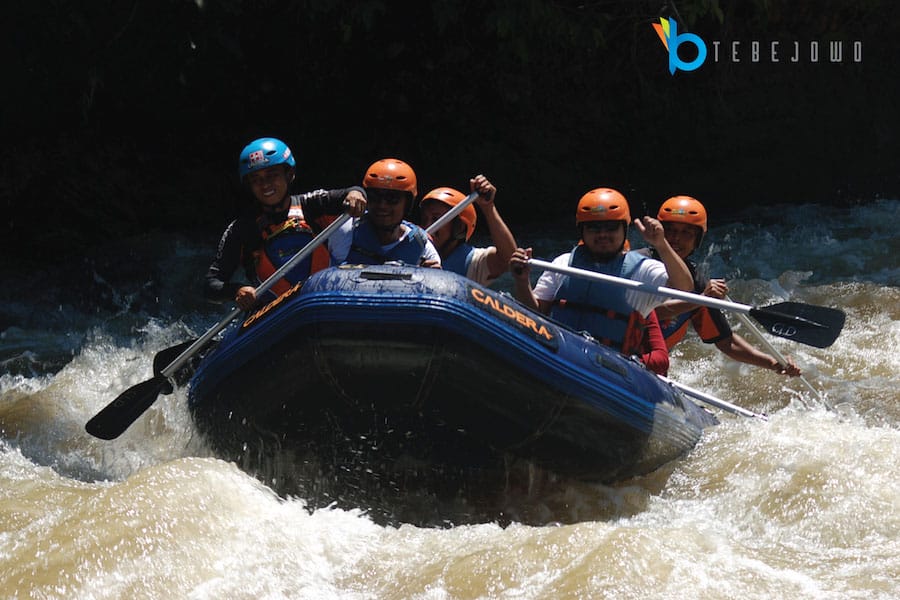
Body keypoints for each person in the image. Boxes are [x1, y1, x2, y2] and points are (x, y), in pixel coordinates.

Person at [509, 187, 694, 376]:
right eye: (594, 228)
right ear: (582, 231)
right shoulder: (563, 263)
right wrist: (522, 281)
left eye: (611, 227)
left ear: (624, 229)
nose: (603, 234)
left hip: (609, 374)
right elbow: (534, 313)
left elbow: (684, 287)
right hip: (557, 360)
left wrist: (661, 245)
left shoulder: (642, 271)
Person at [646, 195, 802, 377]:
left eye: (686, 233)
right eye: (670, 231)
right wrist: (700, 300)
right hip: (619, 351)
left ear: (697, 240)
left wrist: (774, 363)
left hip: (649, 366)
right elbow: (646, 312)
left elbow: (726, 342)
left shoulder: (698, 283)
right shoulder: (637, 263)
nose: (676, 239)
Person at [203, 137, 366, 310]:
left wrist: (356, 193)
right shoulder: (242, 229)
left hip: (323, 300)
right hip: (275, 313)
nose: (265, 185)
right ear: (249, 185)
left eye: (272, 175)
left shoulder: (311, 204)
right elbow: (210, 285)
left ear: (289, 175)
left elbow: (349, 193)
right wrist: (237, 290)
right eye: (256, 179)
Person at [329, 158, 441, 267]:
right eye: (374, 197)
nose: (382, 205)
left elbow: (435, 281)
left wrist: (431, 275)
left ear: (407, 204)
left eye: (392, 198)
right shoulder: (348, 229)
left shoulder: (421, 245)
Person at [417, 174, 517, 286]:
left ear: (459, 228)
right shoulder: (411, 252)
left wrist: (488, 207)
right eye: (424, 219)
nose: (427, 225)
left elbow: (510, 259)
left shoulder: (474, 262)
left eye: (436, 219)